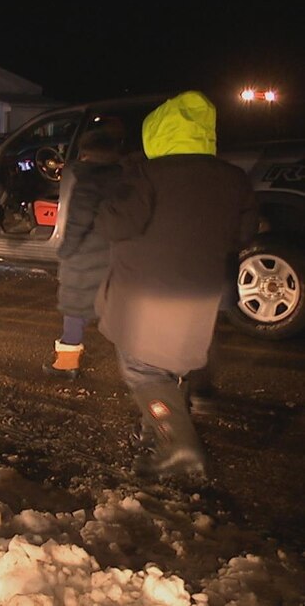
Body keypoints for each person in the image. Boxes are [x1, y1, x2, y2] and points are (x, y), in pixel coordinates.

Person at [94, 90, 256, 478]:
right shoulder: (233, 178)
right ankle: (160, 431)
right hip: (200, 291)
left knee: (144, 371)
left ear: (158, 134)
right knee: (171, 367)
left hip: (146, 293)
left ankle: (179, 445)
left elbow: (117, 224)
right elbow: (245, 233)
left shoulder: (146, 173)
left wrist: (111, 198)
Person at [43, 126, 123, 376]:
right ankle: (137, 360)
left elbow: (79, 221)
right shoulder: (125, 178)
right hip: (113, 252)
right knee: (117, 307)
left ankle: (67, 362)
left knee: (75, 306)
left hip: (85, 255)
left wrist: (65, 252)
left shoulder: (88, 181)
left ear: (85, 153)